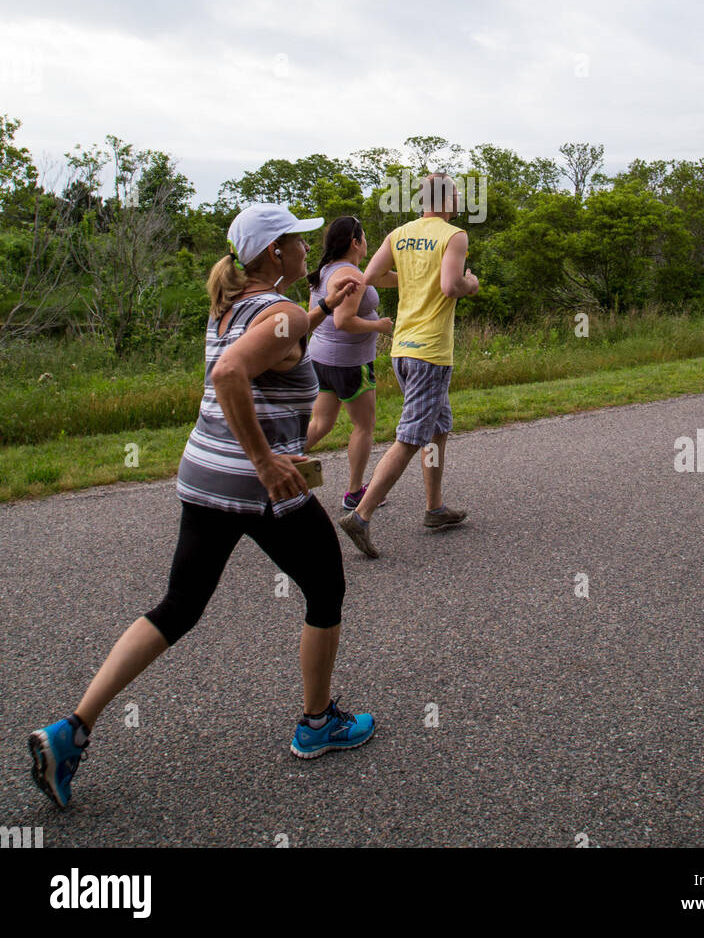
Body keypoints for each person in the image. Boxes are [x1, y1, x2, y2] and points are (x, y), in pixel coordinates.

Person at [28, 203, 375, 810]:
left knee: (179, 605)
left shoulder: (229, 306)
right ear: (275, 254)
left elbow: (273, 345)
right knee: (326, 588)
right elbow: (234, 373)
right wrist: (267, 461)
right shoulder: (281, 310)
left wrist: (322, 308)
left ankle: (71, 731)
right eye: (295, 241)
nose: (304, 249)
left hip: (204, 476)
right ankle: (318, 725)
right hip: (261, 486)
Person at [338, 173, 478, 559]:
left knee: (438, 426)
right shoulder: (454, 235)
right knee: (411, 435)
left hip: (402, 348)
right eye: (455, 195)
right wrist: (471, 283)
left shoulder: (399, 234)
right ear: (447, 199)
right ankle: (361, 516)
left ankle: (434, 509)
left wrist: (416, 277)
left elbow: (371, 276)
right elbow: (451, 287)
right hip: (431, 351)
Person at [304, 215, 396, 511]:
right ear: (355, 242)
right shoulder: (351, 275)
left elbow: (318, 314)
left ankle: (273, 464)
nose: (367, 242)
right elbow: (344, 321)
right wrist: (379, 326)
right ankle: (355, 491)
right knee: (364, 426)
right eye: (365, 237)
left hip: (321, 359)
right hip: (349, 363)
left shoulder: (325, 270)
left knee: (321, 423)